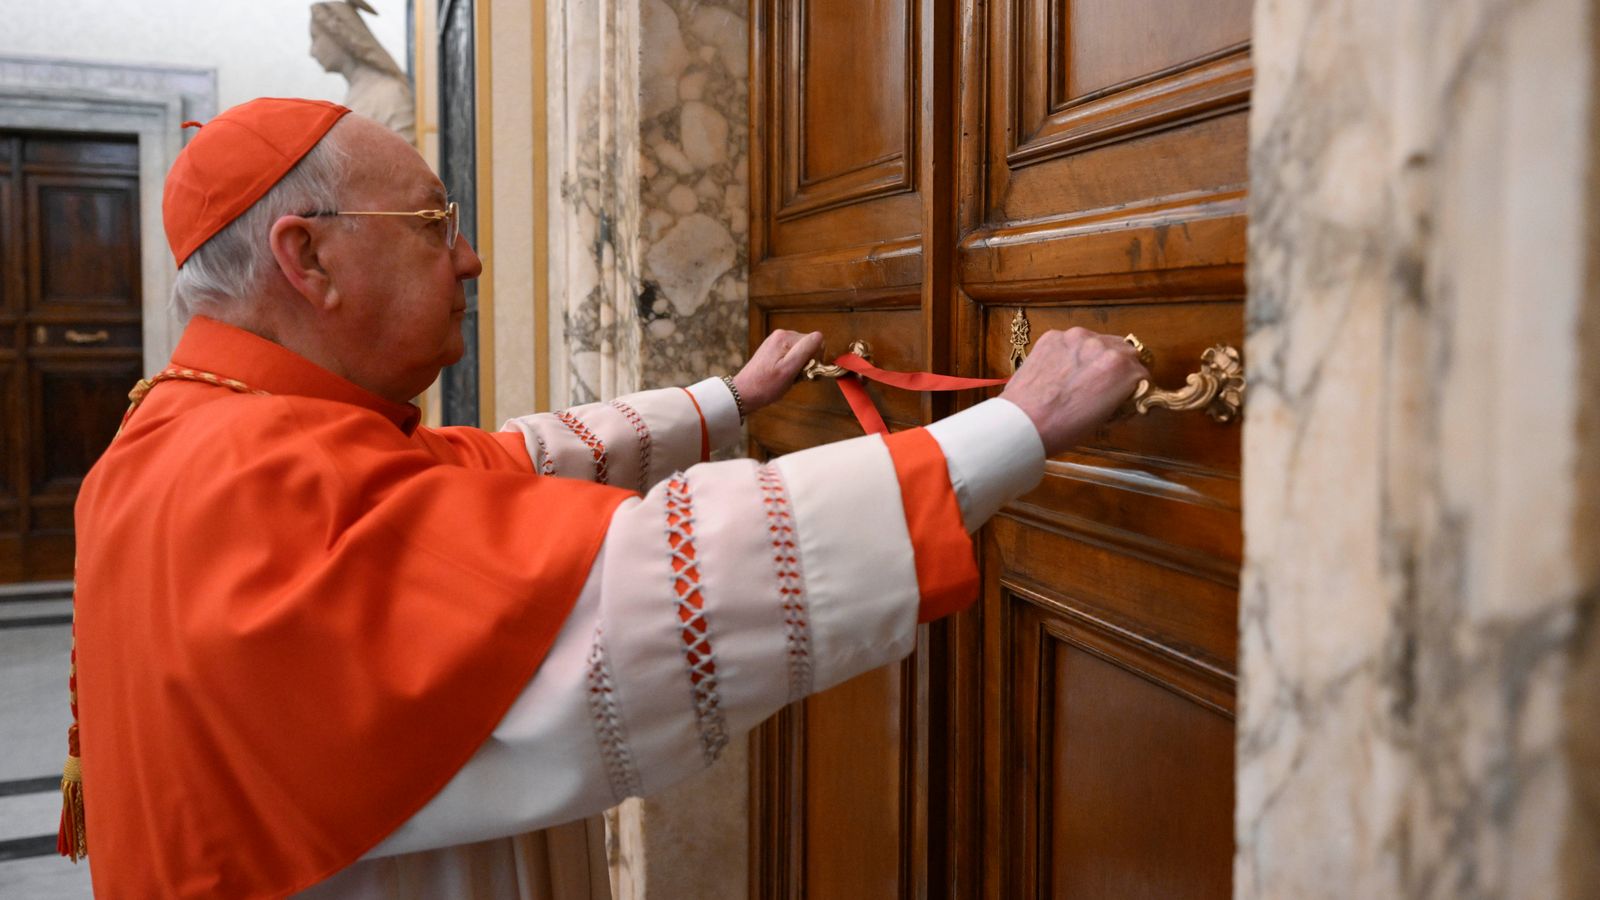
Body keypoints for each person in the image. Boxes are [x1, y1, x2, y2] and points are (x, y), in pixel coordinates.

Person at [64, 98, 1148, 898]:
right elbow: (614, 597)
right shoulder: (250, 481)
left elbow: (490, 472)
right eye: (436, 224)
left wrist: (724, 400)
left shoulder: (201, 426)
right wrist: (1015, 428)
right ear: (309, 257)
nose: (471, 258)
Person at [310, 0, 415, 142]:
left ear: (338, 35)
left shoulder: (391, 93)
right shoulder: (356, 94)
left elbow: (407, 158)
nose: (312, 51)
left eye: (315, 38)